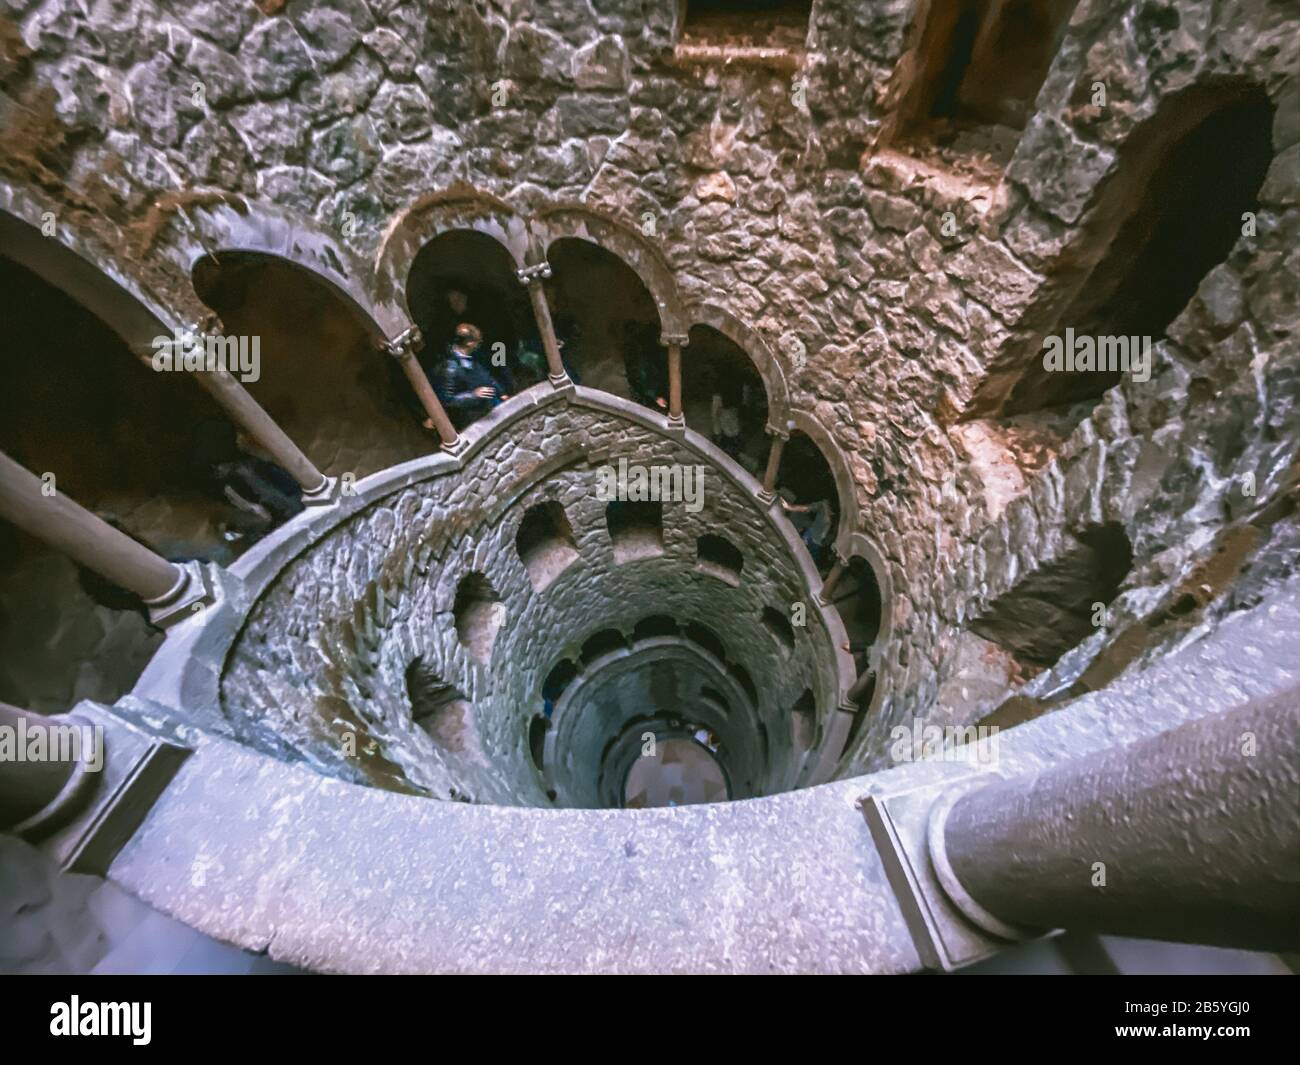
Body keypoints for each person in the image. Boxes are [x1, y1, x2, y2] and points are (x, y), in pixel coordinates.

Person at [435, 322, 506, 428]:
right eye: (477, 341)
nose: (479, 344)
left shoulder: (474, 356)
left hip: (488, 407)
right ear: (470, 343)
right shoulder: (451, 368)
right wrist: (473, 395)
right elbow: (448, 400)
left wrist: (501, 393)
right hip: (472, 418)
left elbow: (486, 376)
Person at [778, 488, 834, 567]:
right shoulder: (823, 505)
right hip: (811, 536)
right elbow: (807, 508)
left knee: (808, 563)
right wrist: (790, 507)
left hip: (818, 543)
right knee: (797, 554)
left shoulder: (834, 514)